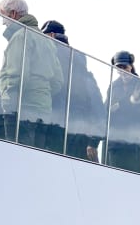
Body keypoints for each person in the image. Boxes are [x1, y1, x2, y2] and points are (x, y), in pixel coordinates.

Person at [0, 0, 63, 151]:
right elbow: (58, 82)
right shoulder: (48, 42)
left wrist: (8, 106)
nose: (2, 22)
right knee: (35, 161)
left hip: (21, 111)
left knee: (18, 160)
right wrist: (42, 96)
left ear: (14, 14)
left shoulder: (20, 36)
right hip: (44, 111)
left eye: (3, 16)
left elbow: (16, 76)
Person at [40, 20, 105, 161]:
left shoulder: (46, 64)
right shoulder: (86, 76)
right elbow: (99, 110)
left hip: (52, 132)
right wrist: (93, 142)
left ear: (51, 35)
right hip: (80, 137)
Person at [106, 50, 140, 172]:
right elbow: (106, 110)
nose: (122, 71)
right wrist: (130, 101)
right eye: (119, 68)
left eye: (125, 67)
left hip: (136, 144)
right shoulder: (113, 86)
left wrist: (136, 103)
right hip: (116, 144)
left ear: (131, 66)